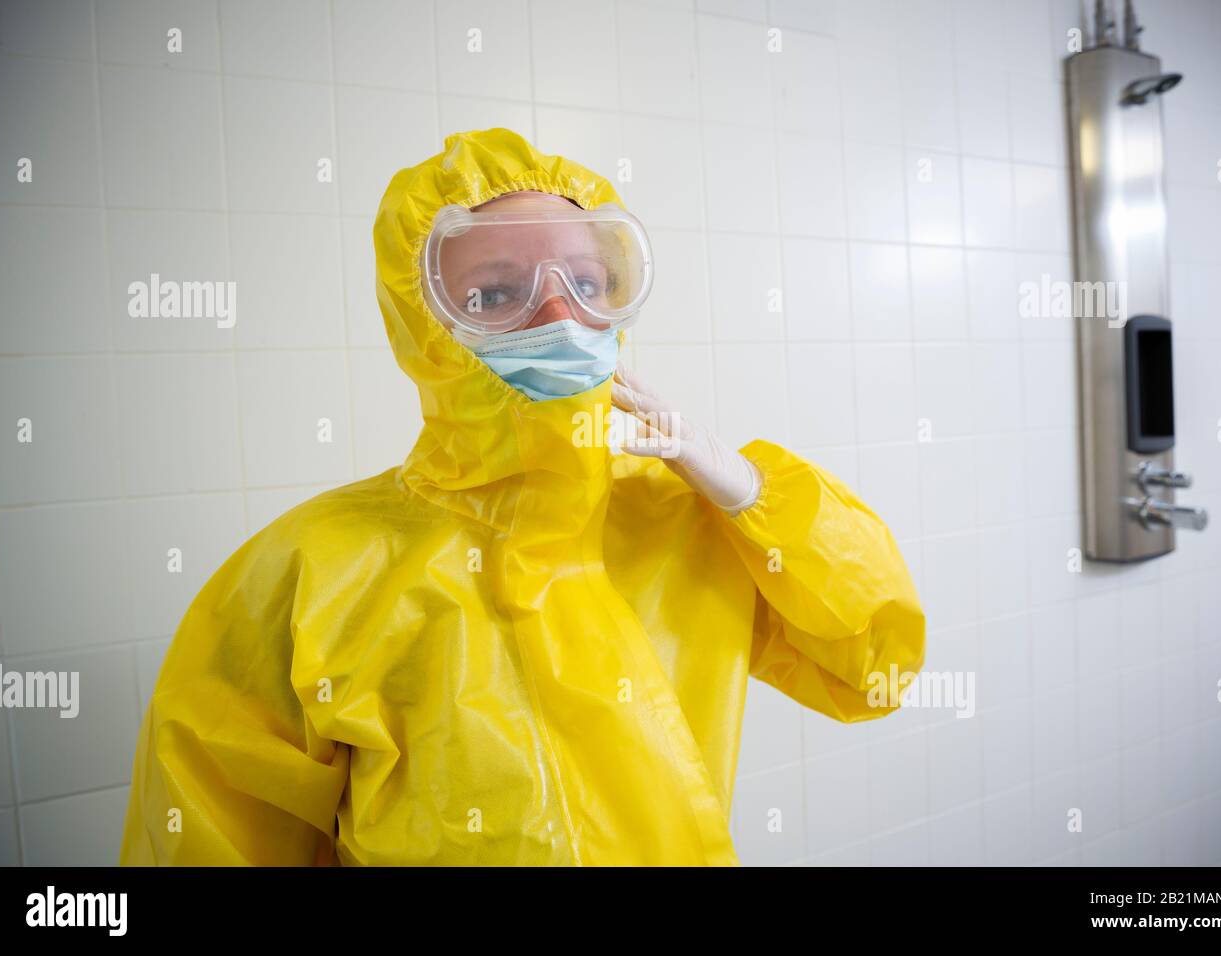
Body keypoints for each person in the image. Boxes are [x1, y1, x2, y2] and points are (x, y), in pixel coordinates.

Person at [119, 128, 925, 866]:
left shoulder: (688, 522)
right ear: (427, 325)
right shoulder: (314, 573)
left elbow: (873, 669)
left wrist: (754, 496)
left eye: (586, 280)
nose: (560, 315)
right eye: (496, 294)